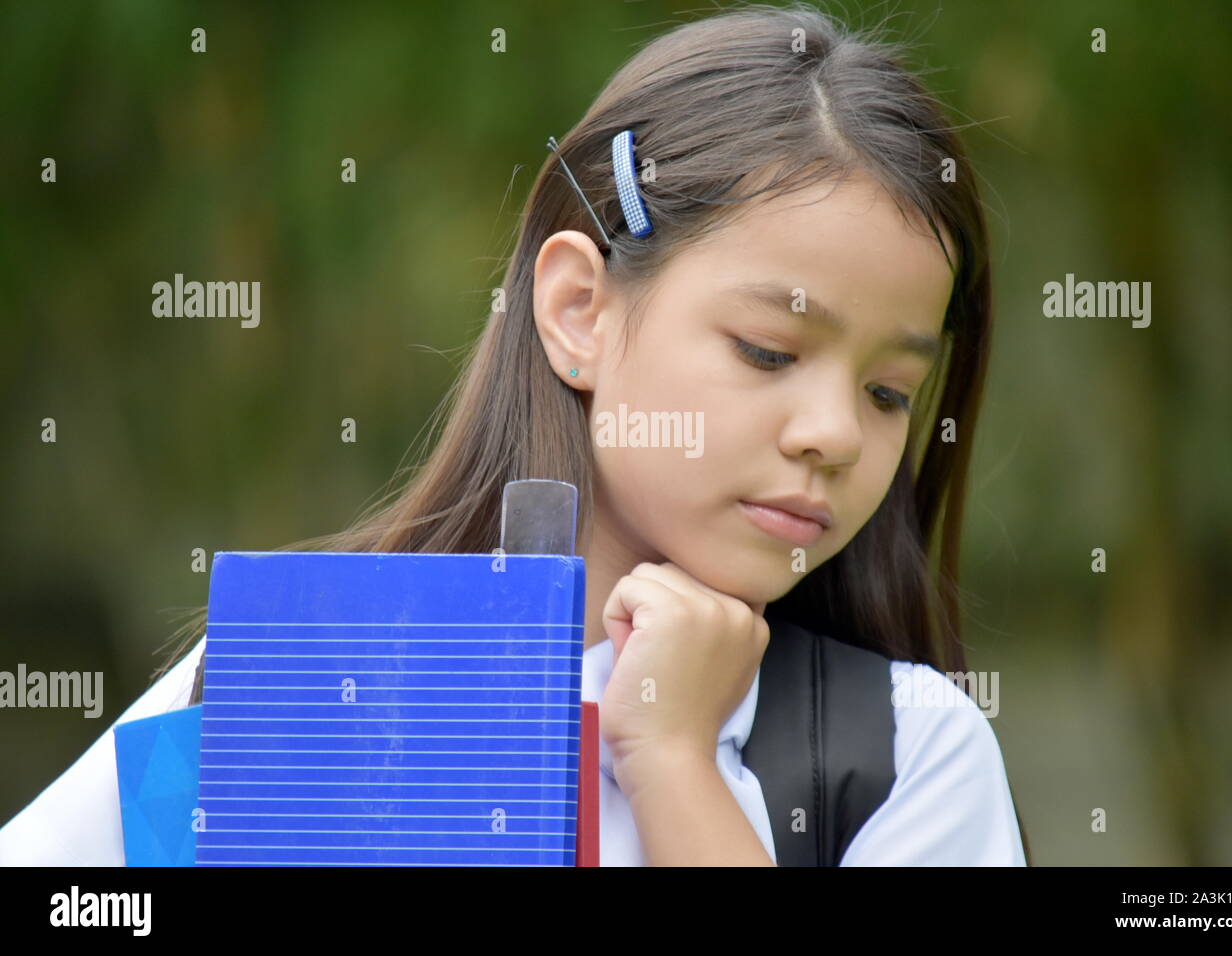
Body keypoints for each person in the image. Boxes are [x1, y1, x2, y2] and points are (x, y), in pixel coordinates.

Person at [0, 1, 1028, 866]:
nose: (832, 433)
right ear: (579, 309)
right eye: (767, 350)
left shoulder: (902, 754)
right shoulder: (287, 678)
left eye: (890, 391)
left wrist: (670, 761)